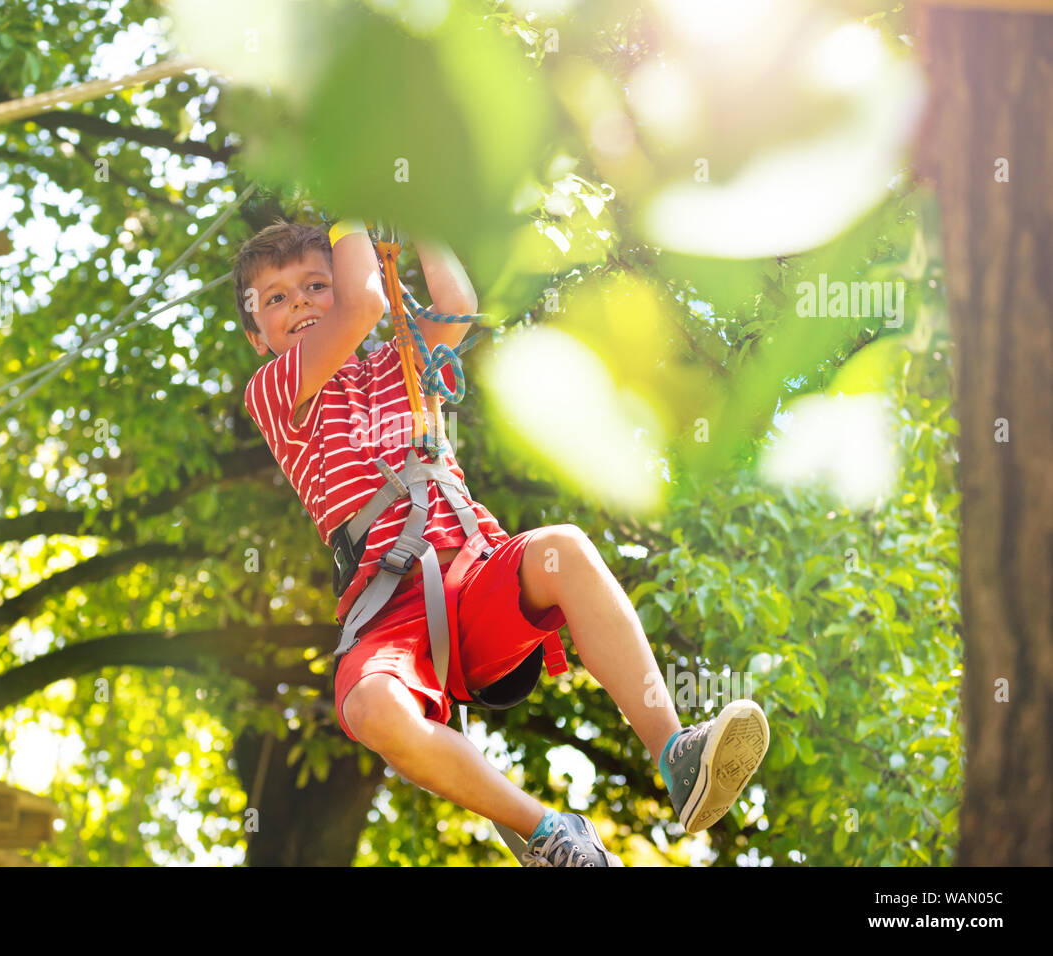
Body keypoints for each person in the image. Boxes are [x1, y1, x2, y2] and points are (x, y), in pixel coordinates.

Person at [235, 217, 769, 866]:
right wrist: (351, 209)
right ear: (257, 337)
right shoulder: (276, 391)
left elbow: (456, 302)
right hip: (387, 614)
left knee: (565, 548)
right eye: (277, 298)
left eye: (316, 286)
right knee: (373, 706)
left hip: (472, 575)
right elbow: (366, 302)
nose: (300, 304)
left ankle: (675, 754)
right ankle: (547, 833)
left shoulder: (399, 360)